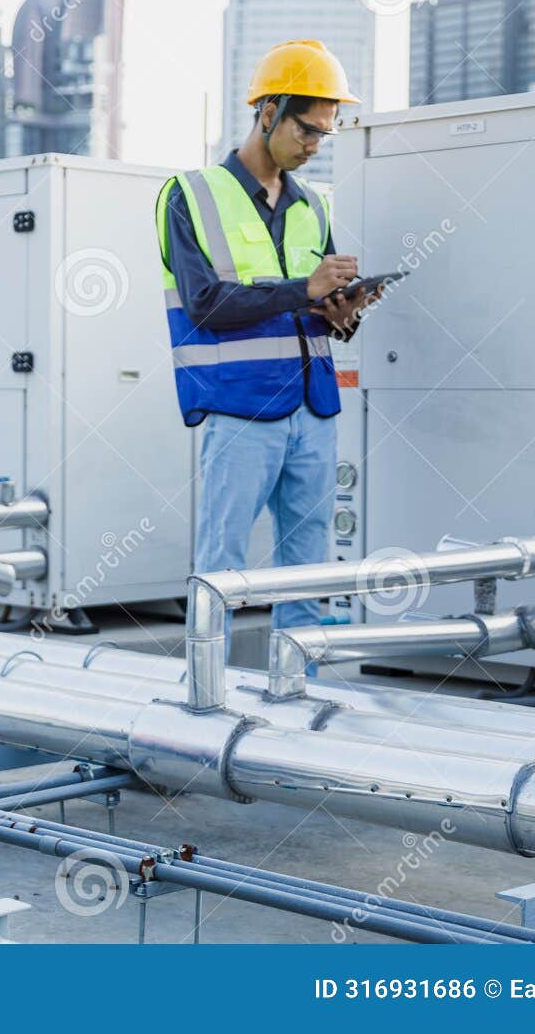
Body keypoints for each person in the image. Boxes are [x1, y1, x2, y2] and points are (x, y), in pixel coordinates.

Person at [156, 39, 380, 630]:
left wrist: (343, 310)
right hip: (240, 407)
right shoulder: (191, 196)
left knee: (307, 573)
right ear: (267, 112)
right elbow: (204, 304)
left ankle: (297, 702)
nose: (313, 146)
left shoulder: (315, 206)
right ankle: (203, 704)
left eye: (323, 135)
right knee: (221, 568)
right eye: (306, 131)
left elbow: (315, 305)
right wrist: (304, 291)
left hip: (314, 407)